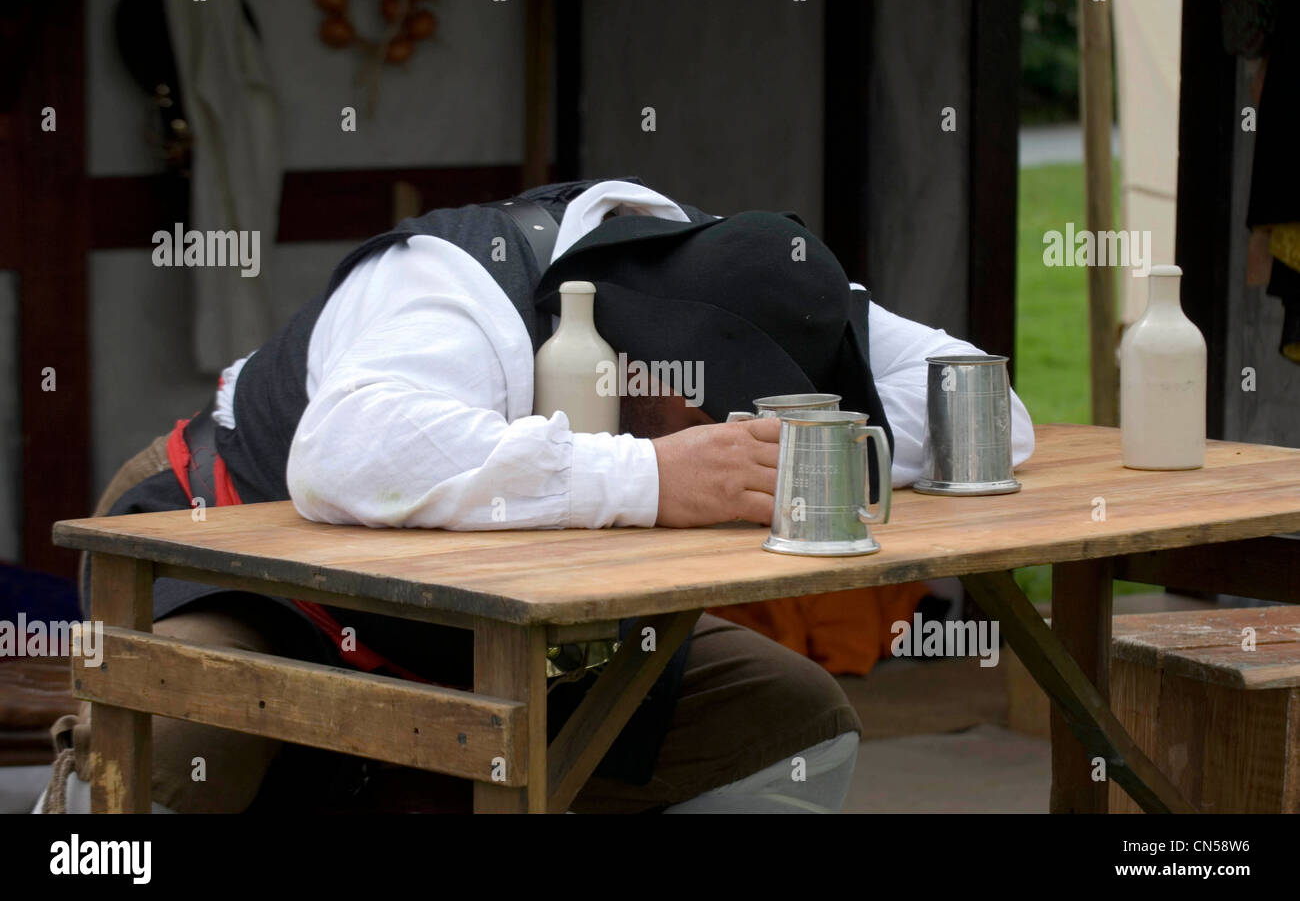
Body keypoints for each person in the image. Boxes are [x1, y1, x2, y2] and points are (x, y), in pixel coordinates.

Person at [51, 177, 1034, 814]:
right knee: (182, 738)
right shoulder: (453, 282)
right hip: (259, 574)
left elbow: (986, 404)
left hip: (507, 611)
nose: (711, 429)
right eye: (705, 408)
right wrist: (654, 477)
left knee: (789, 723)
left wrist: (787, 453)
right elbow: (342, 451)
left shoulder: (749, 285)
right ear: (645, 346)